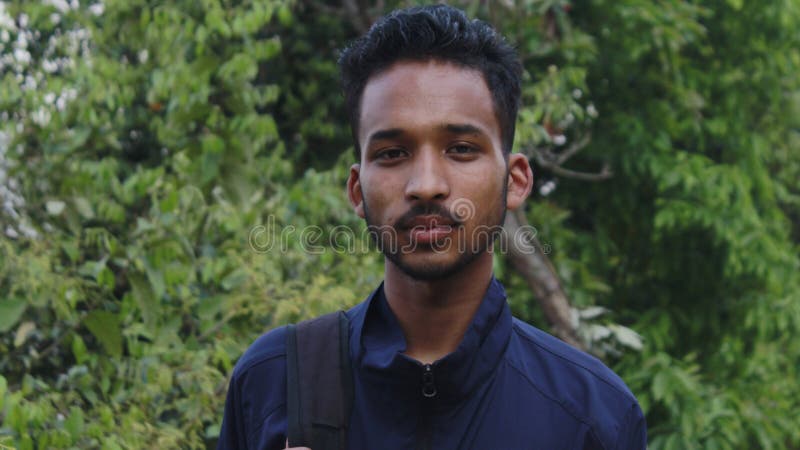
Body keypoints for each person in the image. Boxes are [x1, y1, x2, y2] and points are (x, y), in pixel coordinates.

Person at [218, 5, 647, 449]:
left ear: (514, 180)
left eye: (460, 149)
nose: (425, 186)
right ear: (356, 189)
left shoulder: (592, 417)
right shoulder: (276, 384)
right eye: (392, 153)